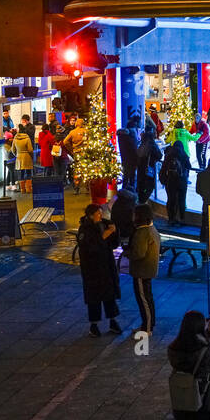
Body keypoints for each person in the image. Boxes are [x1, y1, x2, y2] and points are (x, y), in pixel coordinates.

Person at [77, 203, 122, 336]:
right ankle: (94, 324)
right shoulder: (85, 229)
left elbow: (113, 243)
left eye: (101, 213)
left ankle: (113, 321)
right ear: (90, 215)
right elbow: (90, 247)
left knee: (109, 295)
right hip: (92, 269)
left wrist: (114, 232)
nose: (100, 216)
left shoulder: (105, 224)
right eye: (98, 214)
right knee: (94, 297)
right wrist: (108, 233)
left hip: (106, 266)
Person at [128, 204, 161, 339]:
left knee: (143, 299)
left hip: (142, 270)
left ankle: (147, 328)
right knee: (148, 298)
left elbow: (139, 253)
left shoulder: (142, 232)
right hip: (149, 269)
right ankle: (148, 324)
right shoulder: (151, 229)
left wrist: (128, 254)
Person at [161, 139, 191, 226]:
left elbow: (163, 168)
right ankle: (181, 218)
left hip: (170, 180)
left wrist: (164, 179)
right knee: (182, 199)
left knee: (171, 199)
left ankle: (171, 218)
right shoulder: (183, 154)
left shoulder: (168, 155)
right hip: (182, 180)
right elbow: (189, 166)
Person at [136, 129, 162, 204]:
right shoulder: (152, 145)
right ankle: (143, 202)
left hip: (140, 169)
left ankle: (140, 201)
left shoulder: (141, 144)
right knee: (149, 186)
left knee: (141, 185)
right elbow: (159, 155)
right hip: (149, 170)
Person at [116, 121, 139, 190]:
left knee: (126, 176)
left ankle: (124, 192)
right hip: (131, 159)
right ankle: (131, 193)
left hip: (125, 159)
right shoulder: (130, 136)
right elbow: (134, 149)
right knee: (132, 177)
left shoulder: (122, 136)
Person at [13, 126, 34, 193]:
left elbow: (13, 149)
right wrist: (32, 156)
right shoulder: (27, 138)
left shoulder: (15, 138)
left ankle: (22, 189)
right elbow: (30, 149)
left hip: (19, 157)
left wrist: (17, 154)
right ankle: (28, 189)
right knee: (28, 172)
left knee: (21, 173)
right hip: (27, 156)